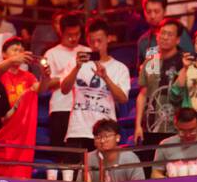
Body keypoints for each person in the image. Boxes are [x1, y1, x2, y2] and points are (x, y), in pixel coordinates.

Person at [63, 18, 132, 154]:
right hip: (78, 130)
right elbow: (64, 89)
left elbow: (123, 99)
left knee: (104, 168)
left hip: (105, 132)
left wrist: (105, 77)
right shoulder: (76, 63)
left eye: (99, 41)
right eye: (92, 41)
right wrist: (77, 68)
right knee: (74, 168)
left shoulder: (120, 68)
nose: (95, 45)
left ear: (108, 39)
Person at [136, 18, 187, 159]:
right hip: (150, 126)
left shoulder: (184, 61)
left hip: (174, 127)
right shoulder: (151, 59)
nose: (164, 37)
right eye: (162, 33)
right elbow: (143, 94)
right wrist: (138, 125)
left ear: (177, 40)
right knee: (149, 164)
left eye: (169, 34)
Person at [45, 13, 93, 149]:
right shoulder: (51, 53)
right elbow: (47, 84)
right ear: (61, 32)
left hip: (84, 107)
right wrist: (69, 73)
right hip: (61, 107)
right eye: (69, 35)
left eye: (77, 34)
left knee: (85, 152)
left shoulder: (87, 51)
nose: (74, 38)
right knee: (61, 153)